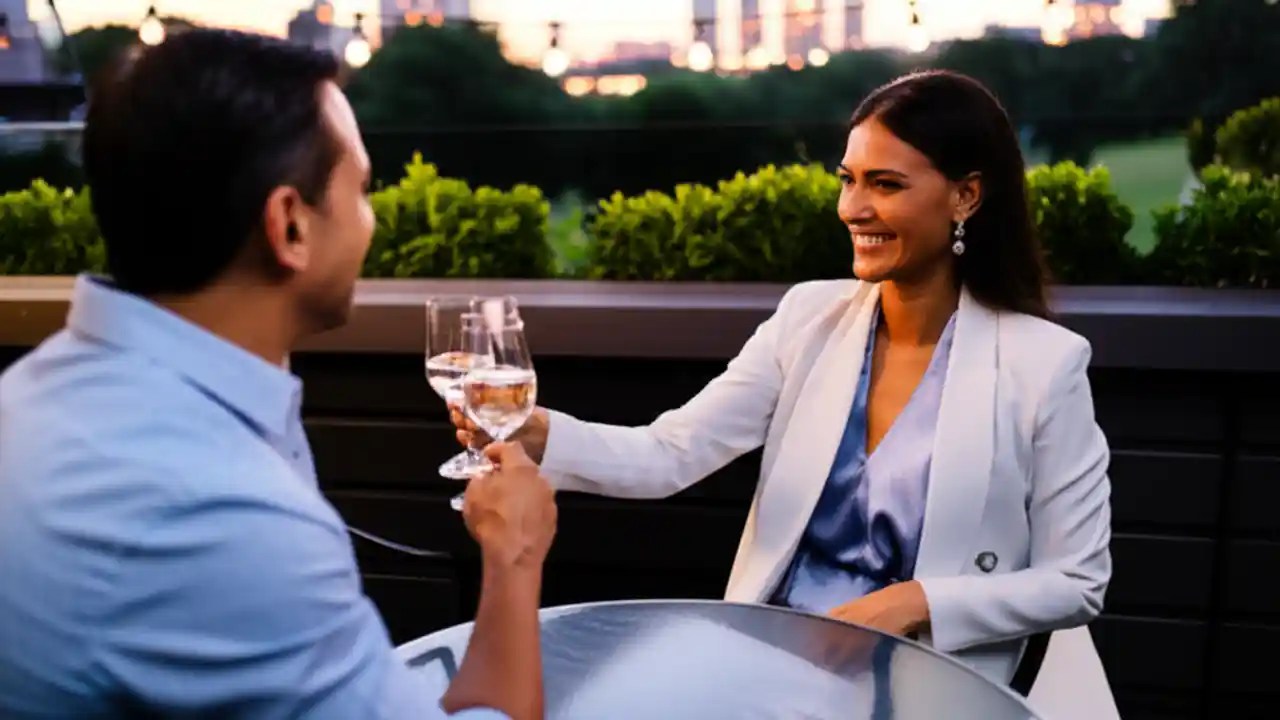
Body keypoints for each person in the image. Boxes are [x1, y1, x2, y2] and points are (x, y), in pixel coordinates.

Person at [453, 70, 1114, 695]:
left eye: (884, 184)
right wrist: (543, 436)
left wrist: (913, 604)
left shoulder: (1044, 365)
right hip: (766, 663)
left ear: (965, 195)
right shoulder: (808, 317)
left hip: (922, 686)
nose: (852, 207)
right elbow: (670, 453)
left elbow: (1078, 580)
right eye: (847, 179)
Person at [0, 29, 556, 720]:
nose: (372, 222)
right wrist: (515, 556)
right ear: (289, 226)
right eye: (362, 190)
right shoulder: (215, 514)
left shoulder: (33, 396)